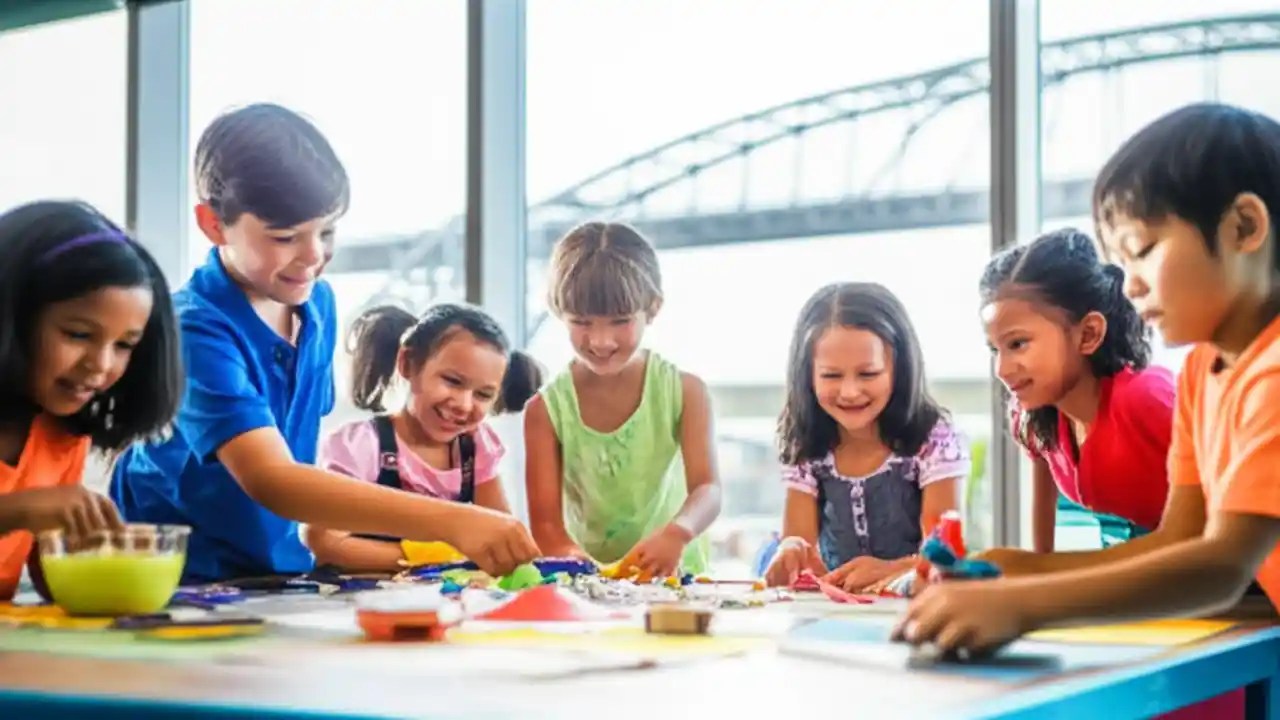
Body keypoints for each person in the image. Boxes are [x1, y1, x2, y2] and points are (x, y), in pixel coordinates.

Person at [111, 103, 538, 583]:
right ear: (213, 224)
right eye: (285, 236)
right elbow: (272, 477)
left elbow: (301, 454)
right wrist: (456, 521)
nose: (313, 256)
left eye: (327, 231)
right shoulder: (191, 329)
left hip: (274, 571)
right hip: (173, 575)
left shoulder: (318, 305)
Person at [0, 200, 182, 600]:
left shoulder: (61, 437)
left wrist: (92, 551)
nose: (100, 365)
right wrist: (19, 510)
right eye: (78, 335)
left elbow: (49, 578)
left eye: (124, 345)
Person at [524, 221, 721, 579]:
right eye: (582, 321)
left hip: (678, 579)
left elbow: (708, 489)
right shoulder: (544, 411)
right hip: (589, 584)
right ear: (557, 310)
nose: (601, 341)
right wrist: (589, 570)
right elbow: (547, 527)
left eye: (620, 321)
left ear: (653, 308)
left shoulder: (687, 392)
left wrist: (678, 532)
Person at [764, 282, 969, 592]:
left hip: (916, 601)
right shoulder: (805, 442)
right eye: (831, 375)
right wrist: (791, 551)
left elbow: (944, 556)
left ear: (899, 369)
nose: (849, 391)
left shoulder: (933, 439)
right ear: (807, 376)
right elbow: (802, 547)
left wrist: (890, 569)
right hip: (838, 607)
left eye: (868, 374)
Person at [308, 303, 541, 572]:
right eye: (453, 381)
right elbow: (324, 543)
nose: (464, 405)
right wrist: (428, 557)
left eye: (483, 395)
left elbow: (500, 537)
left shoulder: (476, 446)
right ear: (407, 364)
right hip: (360, 602)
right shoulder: (361, 446)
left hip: (447, 604)